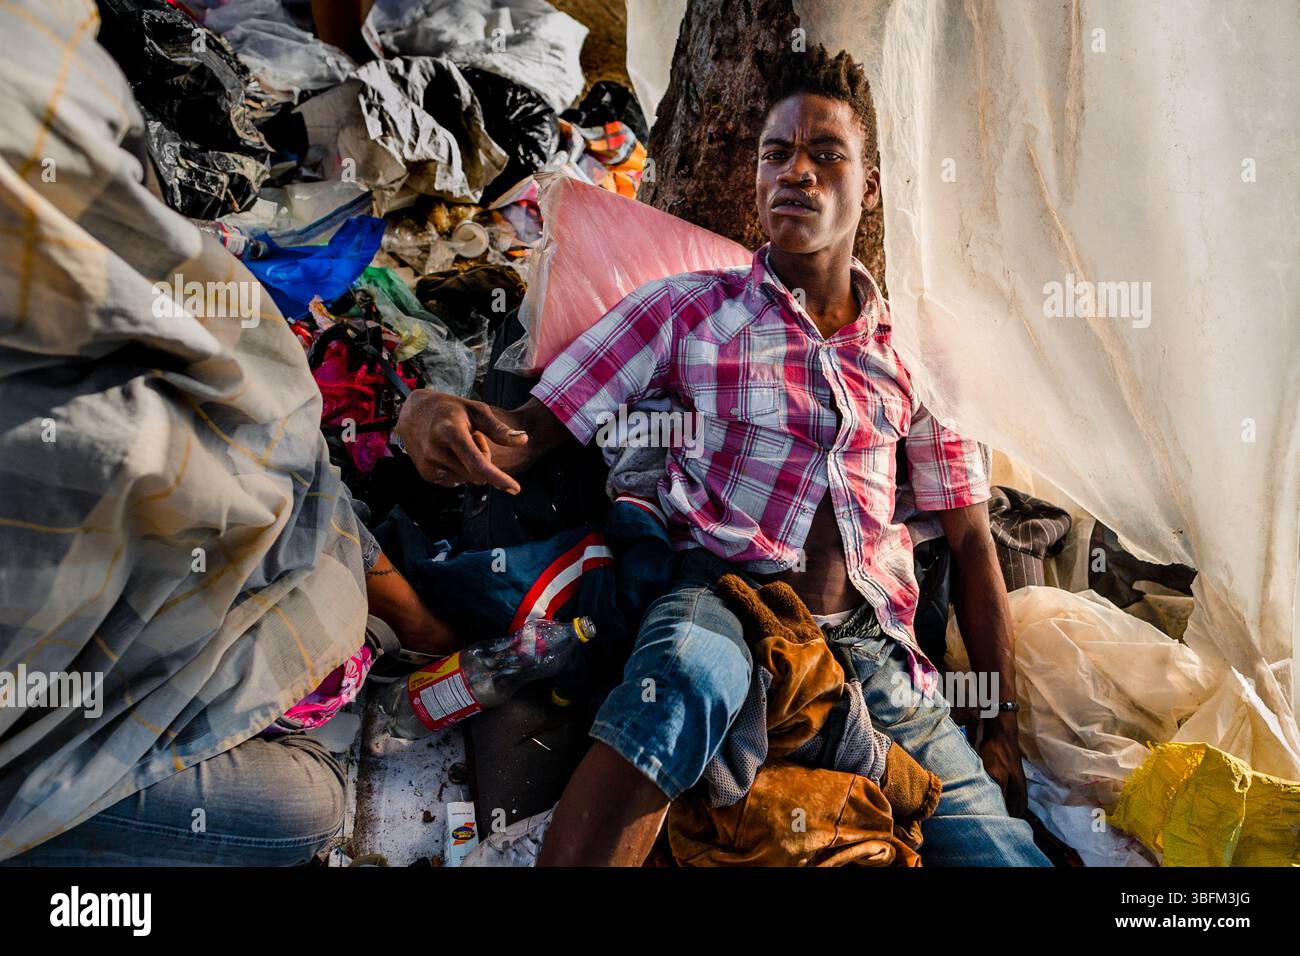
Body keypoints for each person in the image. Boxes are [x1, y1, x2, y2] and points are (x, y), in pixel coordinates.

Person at [397, 46, 1050, 866]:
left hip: (865, 644)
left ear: (868, 187)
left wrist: (1001, 728)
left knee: (993, 844)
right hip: (721, 596)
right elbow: (526, 431)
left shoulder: (914, 350)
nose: (797, 174)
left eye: (826, 155)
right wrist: (424, 412)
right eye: (777, 154)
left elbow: (973, 540)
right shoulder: (687, 312)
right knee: (678, 688)